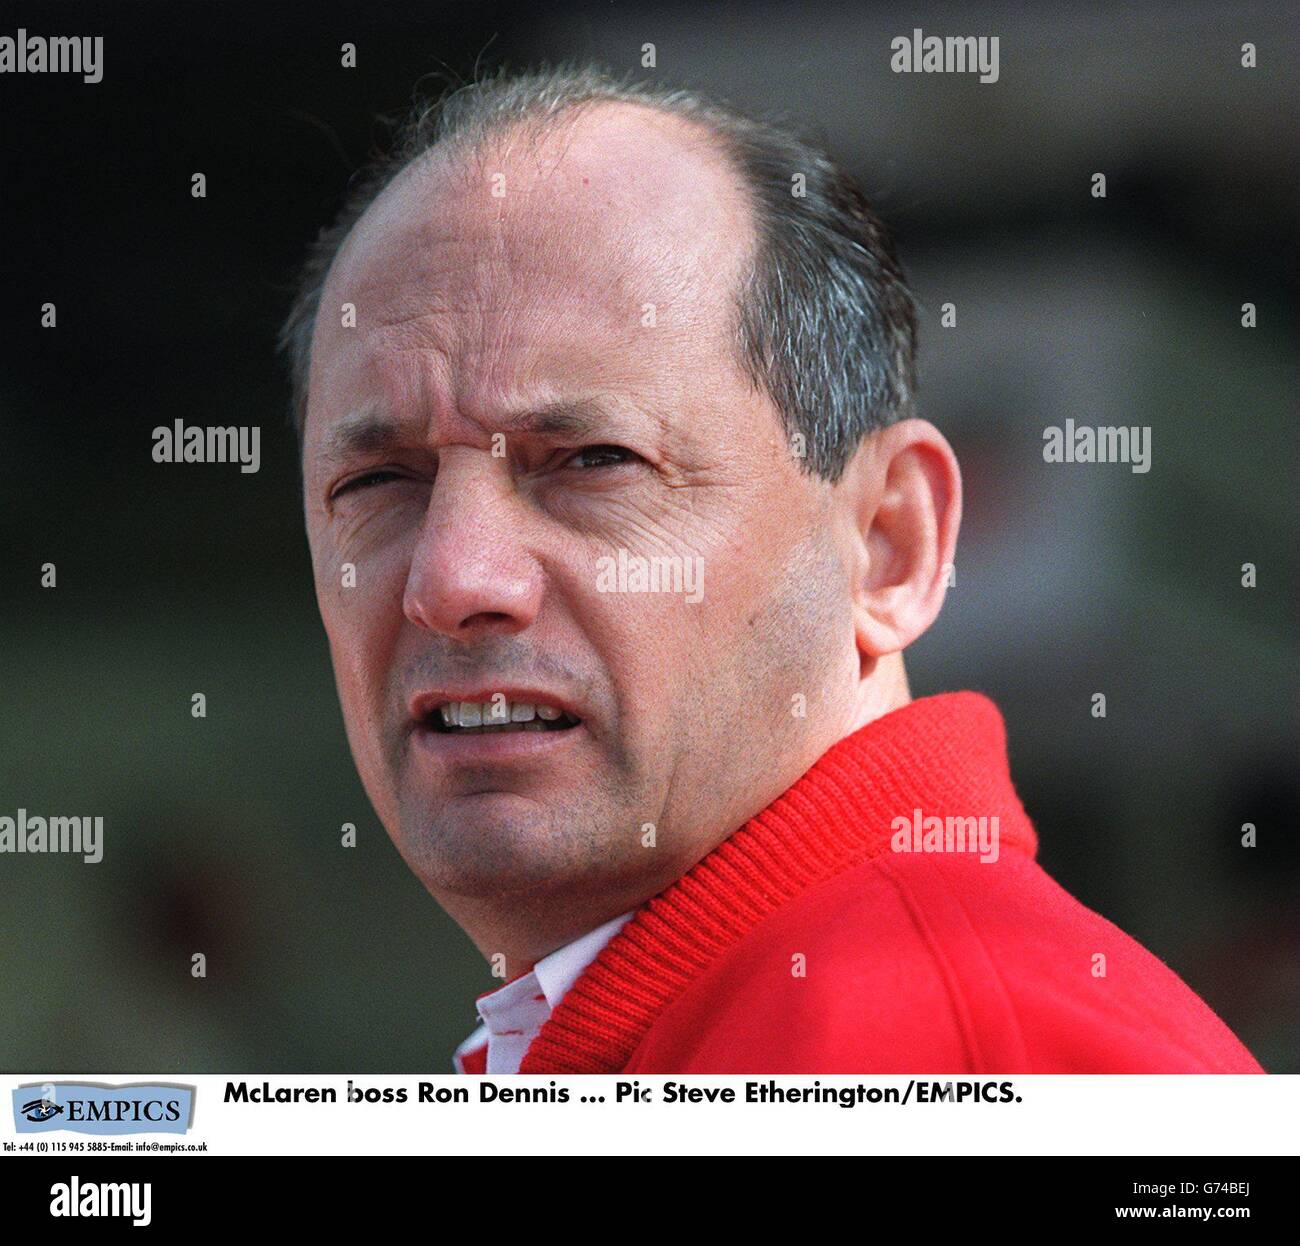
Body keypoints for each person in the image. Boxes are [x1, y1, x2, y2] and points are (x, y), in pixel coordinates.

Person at [281, 66, 1262, 1074]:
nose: (452, 578)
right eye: (378, 481)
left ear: (889, 543)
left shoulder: (954, 1053)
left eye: (590, 462)